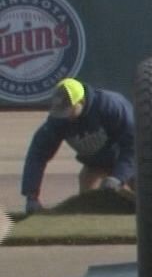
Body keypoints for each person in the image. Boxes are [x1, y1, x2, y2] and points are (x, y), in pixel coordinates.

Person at [20, 79, 134, 215]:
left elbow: (134, 145)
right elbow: (37, 155)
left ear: (81, 102)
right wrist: (31, 196)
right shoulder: (58, 120)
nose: (65, 116)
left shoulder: (110, 105)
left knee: (141, 202)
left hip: (130, 160)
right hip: (95, 165)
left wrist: (118, 176)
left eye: (68, 110)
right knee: (87, 206)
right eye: (61, 111)